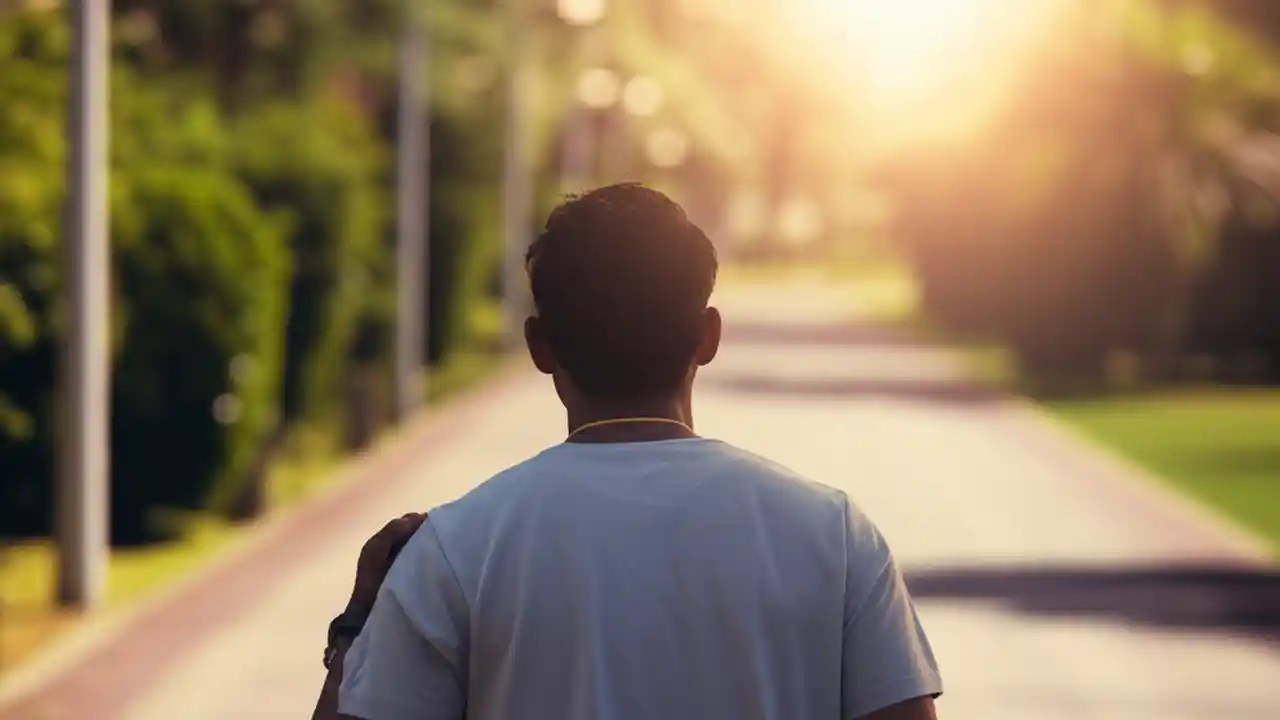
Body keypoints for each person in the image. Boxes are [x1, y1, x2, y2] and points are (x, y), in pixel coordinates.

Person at [312, 184, 942, 720]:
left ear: (540, 346)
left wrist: (354, 633)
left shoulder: (453, 550)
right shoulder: (835, 536)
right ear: (708, 336)